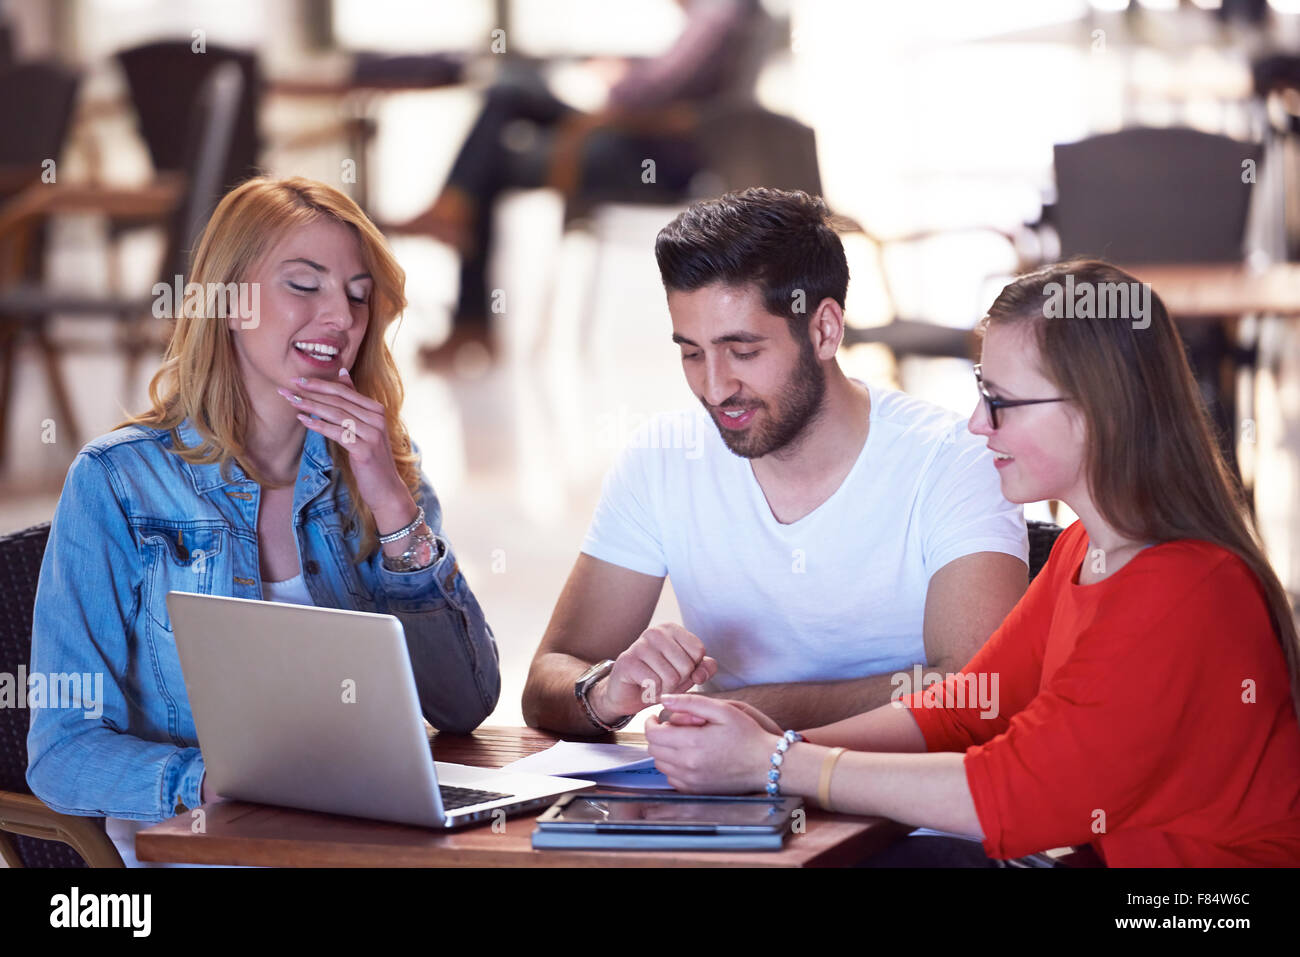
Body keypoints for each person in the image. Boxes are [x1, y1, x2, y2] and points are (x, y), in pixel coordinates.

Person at [643, 259, 1300, 867]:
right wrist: (782, 739)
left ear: (1099, 409)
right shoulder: (1086, 549)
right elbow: (965, 708)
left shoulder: (1182, 587)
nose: (976, 425)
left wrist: (777, 761)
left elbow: (1010, 793)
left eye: (1001, 401)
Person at [26, 176, 500, 865]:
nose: (340, 315)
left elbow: (464, 703)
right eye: (304, 286)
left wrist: (395, 509)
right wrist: (208, 784)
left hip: (355, 848)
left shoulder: (378, 470)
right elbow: (62, 750)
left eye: (358, 295)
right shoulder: (117, 483)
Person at [522, 187, 1030, 735]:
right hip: (722, 799)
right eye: (692, 352)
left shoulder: (953, 461)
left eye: (744, 352)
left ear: (824, 331)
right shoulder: (662, 458)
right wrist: (605, 689)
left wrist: (752, 713)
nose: (715, 388)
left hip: (905, 804)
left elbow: (979, 690)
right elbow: (548, 679)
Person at [389, 0, 765, 368]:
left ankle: (462, 263)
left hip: (645, 155)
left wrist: (615, 77)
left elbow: (642, 95)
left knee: (497, 156)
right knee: (511, 89)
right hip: (627, 135)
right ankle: (456, 213)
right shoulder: (720, 12)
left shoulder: (721, 11)